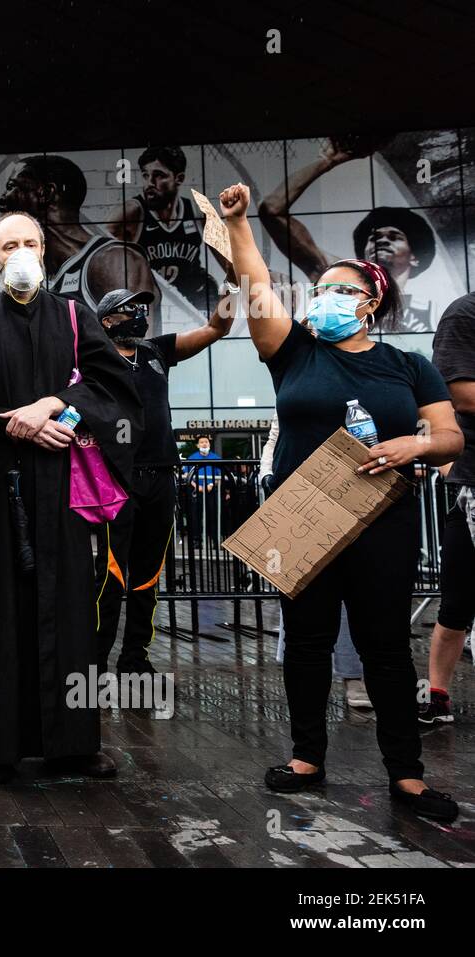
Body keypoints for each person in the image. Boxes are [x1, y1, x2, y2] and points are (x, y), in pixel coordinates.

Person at [219, 181, 463, 822]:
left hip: (383, 519)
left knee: (384, 646)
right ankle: (306, 758)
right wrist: (239, 225)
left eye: (345, 288)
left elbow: (449, 436)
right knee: (306, 641)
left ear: (373, 301)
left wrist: (416, 446)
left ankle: (406, 776)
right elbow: (254, 286)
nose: (328, 296)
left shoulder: (408, 366)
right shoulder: (292, 351)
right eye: (322, 287)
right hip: (305, 516)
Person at [0, 211, 142, 784]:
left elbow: (116, 388)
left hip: (62, 491)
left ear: (46, 253)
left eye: (31, 242)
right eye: (10, 245)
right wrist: (16, 424)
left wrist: (56, 406)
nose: (22, 252)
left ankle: (73, 746)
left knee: (70, 613)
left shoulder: (78, 319)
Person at [93, 286, 233, 675]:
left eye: (142, 307)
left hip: (161, 477)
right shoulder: (92, 357)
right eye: (129, 309)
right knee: (111, 573)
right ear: (107, 320)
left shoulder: (156, 351)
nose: (140, 313)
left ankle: (134, 658)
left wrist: (232, 290)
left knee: (147, 573)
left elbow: (215, 328)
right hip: (117, 479)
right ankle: (96, 659)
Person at [258, 136, 438, 332]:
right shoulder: (339, 276)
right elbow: (272, 210)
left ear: (415, 258)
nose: (383, 240)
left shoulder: (429, 310)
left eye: (394, 237)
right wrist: (328, 162)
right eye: (374, 237)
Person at [261, 417, 373, 710]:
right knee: (299, 587)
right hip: (299, 498)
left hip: (350, 493)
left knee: (351, 591)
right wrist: (266, 476)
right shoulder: (295, 381)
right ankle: (301, 680)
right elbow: (277, 434)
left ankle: (353, 675)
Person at [0, 153, 156, 313]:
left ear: (45, 193)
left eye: (11, 187)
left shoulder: (113, 261)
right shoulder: (36, 277)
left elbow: (138, 336)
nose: (1, 198)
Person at [422, 291, 475, 723]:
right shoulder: (466, 312)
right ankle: (436, 695)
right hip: (473, 481)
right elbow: (460, 393)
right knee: (458, 601)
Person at [110, 146, 211, 311]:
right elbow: (100, 261)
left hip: (193, 303)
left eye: (158, 176)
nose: (149, 183)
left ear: (179, 178)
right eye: (145, 175)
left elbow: (229, 257)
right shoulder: (132, 212)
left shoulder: (195, 210)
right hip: (151, 305)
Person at [183, 434, 223, 545]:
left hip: (212, 491)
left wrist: (211, 484)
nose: (204, 443)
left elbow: (219, 475)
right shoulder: (192, 458)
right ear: (197, 445)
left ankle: (215, 541)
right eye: (201, 442)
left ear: (209, 444)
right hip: (197, 491)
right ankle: (197, 541)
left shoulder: (216, 458)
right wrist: (196, 486)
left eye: (206, 441)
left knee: (213, 515)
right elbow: (187, 475)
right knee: (196, 516)